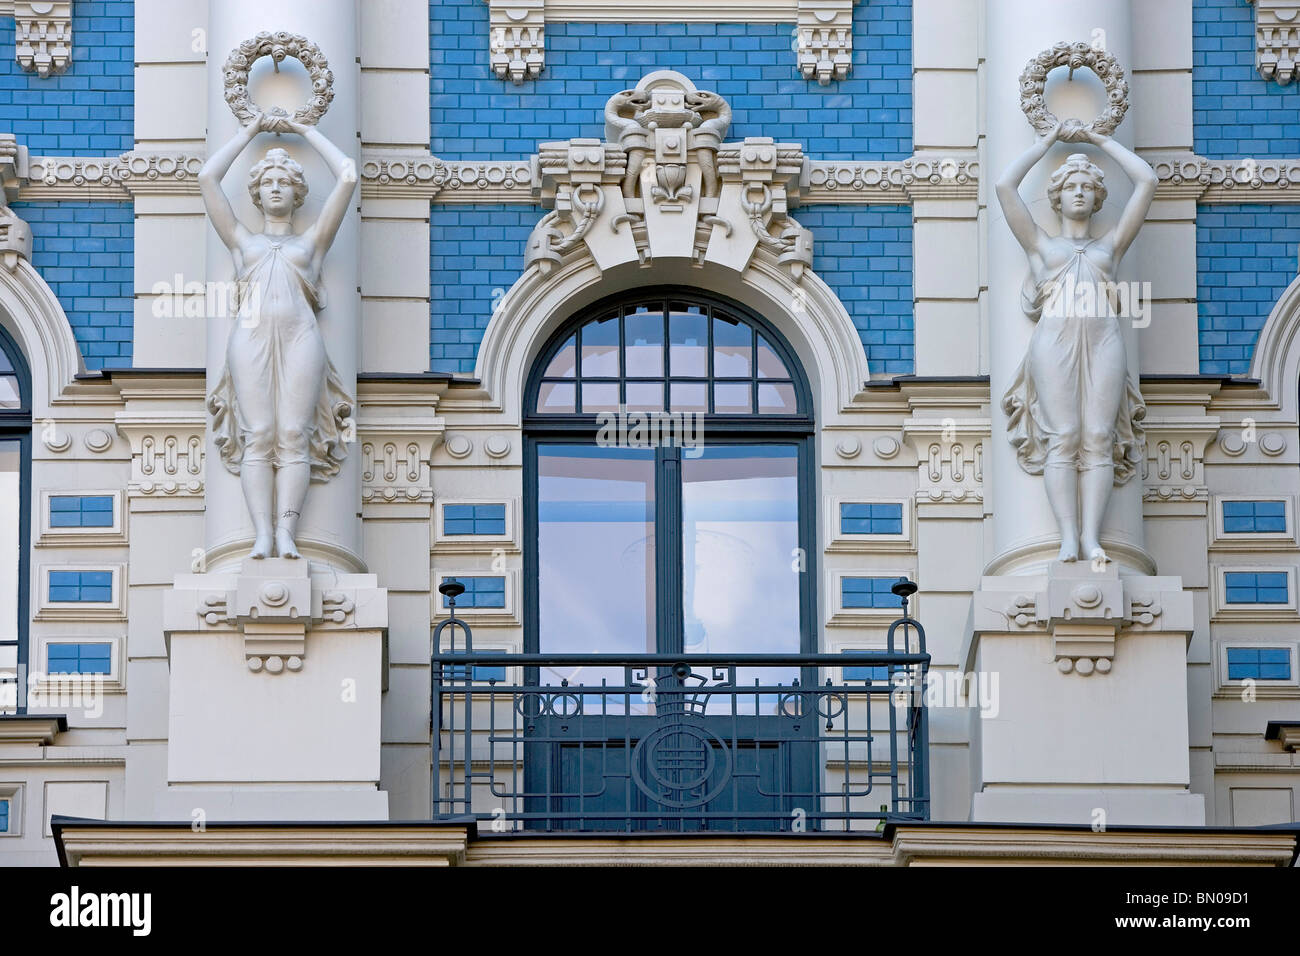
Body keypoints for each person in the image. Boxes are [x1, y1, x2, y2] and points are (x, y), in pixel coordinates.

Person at [200, 110, 358, 559]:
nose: (274, 187)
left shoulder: (310, 245)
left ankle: (287, 531)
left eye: (284, 181)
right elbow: (207, 177)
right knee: (260, 432)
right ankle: (263, 534)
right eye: (267, 181)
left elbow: (347, 175)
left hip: (301, 340)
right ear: (256, 193)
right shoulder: (242, 243)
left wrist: (305, 129)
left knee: (294, 433)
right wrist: (248, 131)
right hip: (249, 340)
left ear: (297, 194)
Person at [995, 121, 1153, 564]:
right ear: (1057, 196)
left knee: (1099, 436)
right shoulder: (1043, 248)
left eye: (1088, 186)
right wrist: (1047, 140)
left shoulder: (1110, 248)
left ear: (1098, 198)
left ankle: (1091, 539)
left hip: (1104, 343)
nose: (1080, 192)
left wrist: (1100, 139)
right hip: (1054, 343)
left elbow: (1147, 180)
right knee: (1063, 436)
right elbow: (1005, 186)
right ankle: (1067, 537)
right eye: (1071, 186)